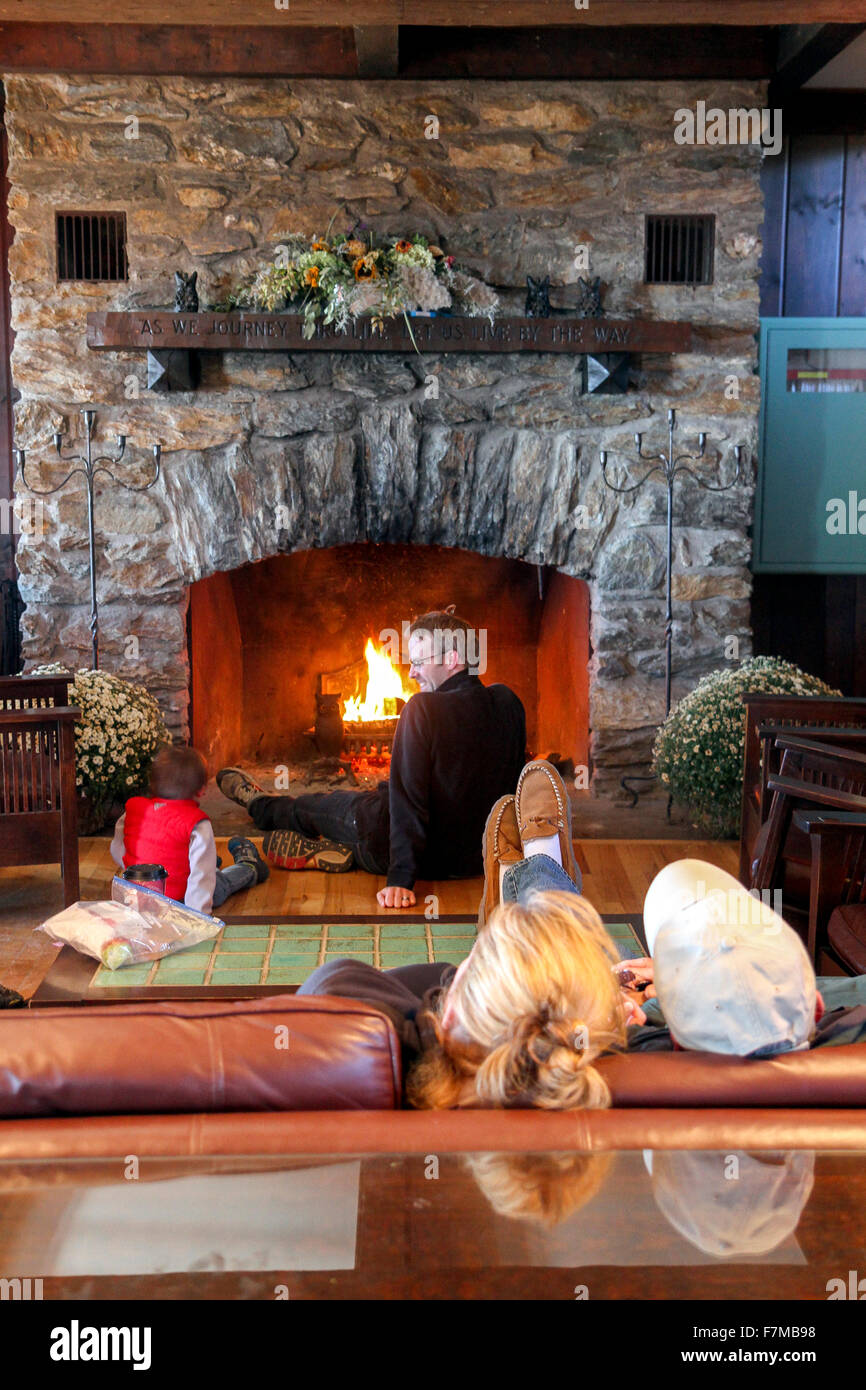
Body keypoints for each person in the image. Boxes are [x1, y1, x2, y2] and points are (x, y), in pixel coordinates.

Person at [296, 760, 631, 1109]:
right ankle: (540, 870)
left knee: (567, 939)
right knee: (592, 954)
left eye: (475, 962)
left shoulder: (365, 1030)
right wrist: (641, 1005)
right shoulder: (624, 1052)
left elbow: (328, 993)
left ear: (449, 1015)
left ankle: (531, 882)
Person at [217, 608, 527, 911]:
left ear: (452, 660)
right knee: (365, 801)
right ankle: (341, 850)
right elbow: (511, 790)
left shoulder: (422, 709)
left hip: (406, 853)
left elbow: (408, 801)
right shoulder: (507, 702)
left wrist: (401, 879)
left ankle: (260, 804)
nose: (412, 672)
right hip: (477, 861)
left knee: (320, 806)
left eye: (419, 662)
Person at [623, 859, 866, 1053]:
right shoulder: (852, 1045)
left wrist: (638, 1022)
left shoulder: (630, 1056)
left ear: (676, 1040)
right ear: (817, 1009)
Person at [110, 745, 269, 916]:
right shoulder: (196, 823)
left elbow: (117, 848)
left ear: (151, 784)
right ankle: (249, 866)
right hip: (179, 902)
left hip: (138, 900)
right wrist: (197, 917)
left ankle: (201, 861)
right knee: (219, 884)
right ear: (201, 790)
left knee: (197, 859)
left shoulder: (133, 810)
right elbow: (201, 878)